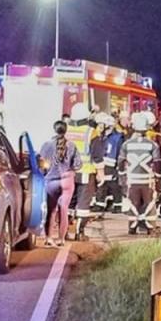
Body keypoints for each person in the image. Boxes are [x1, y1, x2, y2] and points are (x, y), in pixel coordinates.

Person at [119, 112, 161, 234]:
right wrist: (158, 179)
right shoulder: (152, 145)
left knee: (133, 203)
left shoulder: (126, 144)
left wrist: (122, 179)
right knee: (149, 203)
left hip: (132, 180)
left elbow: (121, 162)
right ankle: (149, 227)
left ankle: (132, 227)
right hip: (147, 180)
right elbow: (157, 163)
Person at [66, 103, 104, 240]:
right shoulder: (90, 132)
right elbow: (97, 155)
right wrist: (101, 173)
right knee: (83, 202)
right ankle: (79, 233)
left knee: (69, 202)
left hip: (67, 173)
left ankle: (63, 232)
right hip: (85, 172)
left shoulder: (66, 130)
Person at [39, 120, 81, 246]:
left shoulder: (46, 145)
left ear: (54, 129)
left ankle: (49, 238)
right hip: (67, 180)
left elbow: (41, 165)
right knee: (64, 209)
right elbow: (78, 165)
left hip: (51, 181)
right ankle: (61, 239)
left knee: (51, 210)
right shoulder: (72, 145)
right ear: (66, 130)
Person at [95, 114, 124, 213]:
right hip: (101, 163)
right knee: (101, 184)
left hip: (112, 165)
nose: (100, 127)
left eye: (102, 125)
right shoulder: (100, 136)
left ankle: (117, 205)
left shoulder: (118, 137)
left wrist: (118, 167)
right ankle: (100, 204)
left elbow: (120, 152)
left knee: (114, 185)